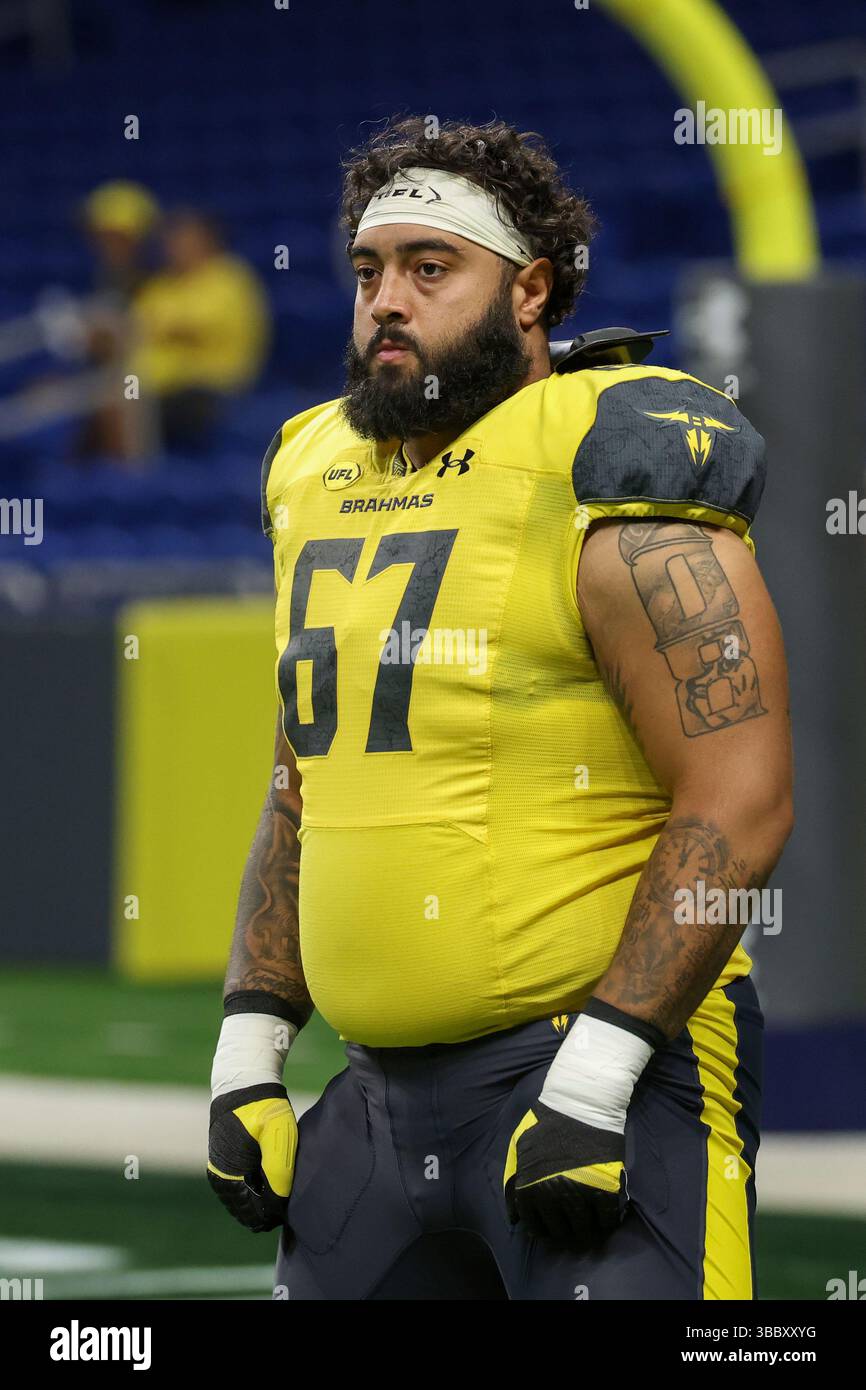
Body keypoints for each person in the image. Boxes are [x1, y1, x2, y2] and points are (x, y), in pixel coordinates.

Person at [206, 117, 793, 1300]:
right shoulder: (311, 465)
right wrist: (248, 1046)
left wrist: (594, 1076)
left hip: (609, 1071)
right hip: (375, 1099)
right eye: (369, 270)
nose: (386, 300)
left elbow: (742, 795)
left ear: (529, 291)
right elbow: (304, 779)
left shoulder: (606, 456)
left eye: (432, 269)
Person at [129, 209, 270, 452]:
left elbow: (195, 328)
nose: (176, 247)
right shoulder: (160, 285)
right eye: (173, 240)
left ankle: (134, 476)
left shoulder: (229, 278)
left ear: (208, 240)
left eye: (185, 239)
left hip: (211, 389)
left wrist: (161, 329)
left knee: (126, 406)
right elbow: (131, 330)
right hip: (152, 386)